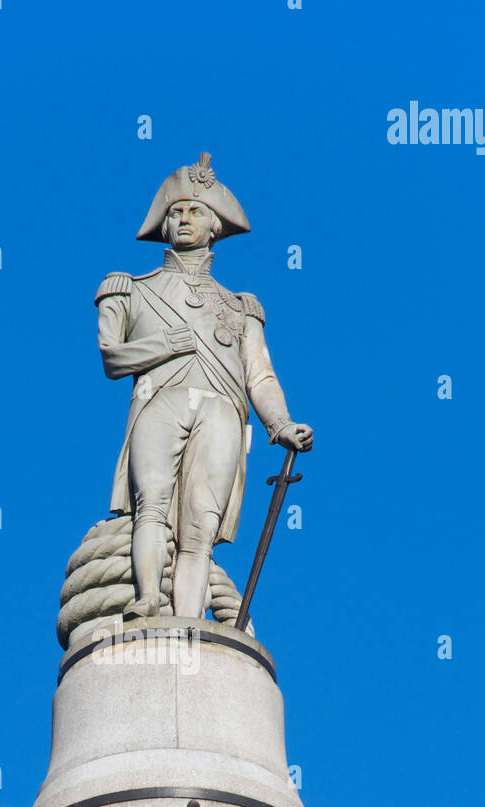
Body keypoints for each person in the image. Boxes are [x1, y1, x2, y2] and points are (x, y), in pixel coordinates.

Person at [96, 152, 313, 620]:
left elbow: (259, 375)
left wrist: (281, 424)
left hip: (222, 410)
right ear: (163, 226)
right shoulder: (129, 288)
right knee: (150, 502)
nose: (185, 219)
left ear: (215, 225)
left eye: (196, 211)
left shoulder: (240, 307)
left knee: (201, 527)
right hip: (160, 401)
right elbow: (113, 359)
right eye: (176, 213)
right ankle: (148, 597)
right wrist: (164, 345)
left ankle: (189, 620)